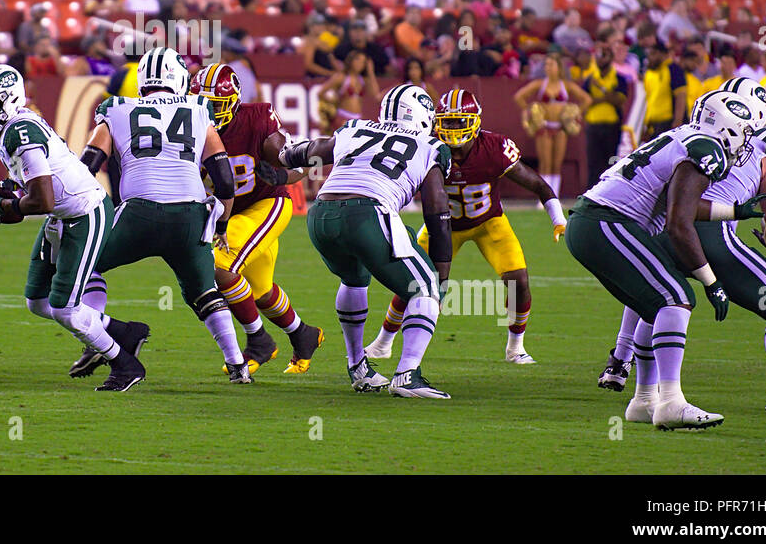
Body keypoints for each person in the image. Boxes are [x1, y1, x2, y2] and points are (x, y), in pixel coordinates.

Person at [604, 80, 766, 413]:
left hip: (668, 229)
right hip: (711, 233)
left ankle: (636, 383)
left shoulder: (689, 136)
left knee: (659, 301)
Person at [567, 92, 755, 430]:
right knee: (676, 297)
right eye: (745, 132)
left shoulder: (686, 136)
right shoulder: (706, 149)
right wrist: (712, 282)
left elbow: (681, 204)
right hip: (606, 221)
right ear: (730, 129)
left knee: (658, 305)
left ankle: (643, 400)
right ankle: (670, 401)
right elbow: (678, 224)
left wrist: (733, 211)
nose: (746, 142)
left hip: (594, 221)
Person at [0, 63, 150, 391]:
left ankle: (124, 362)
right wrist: (10, 190)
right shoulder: (10, 126)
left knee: (65, 308)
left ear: (7, 100)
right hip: (64, 215)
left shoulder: (20, 131)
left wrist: (8, 205)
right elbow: (39, 182)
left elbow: (43, 200)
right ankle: (122, 331)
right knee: (37, 300)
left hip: (84, 212)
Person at [80, 47, 250, 384]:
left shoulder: (116, 108)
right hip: (190, 216)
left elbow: (88, 165)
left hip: (138, 215)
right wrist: (221, 223)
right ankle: (237, 366)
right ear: (179, 79)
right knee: (203, 291)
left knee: (85, 266)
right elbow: (225, 179)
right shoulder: (199, 108)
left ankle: (96, 336)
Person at [366, 89, 567, 365]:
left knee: (518, 281)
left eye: (459, 120)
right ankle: (383, 343)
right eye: (446, 121)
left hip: (489, 223)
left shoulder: (494, 149)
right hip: (442, 227)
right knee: (412, 282)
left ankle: (515, 347)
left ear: (475, 121)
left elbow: (539, 185)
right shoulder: (428, 146)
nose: (452, 127)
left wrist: (558, 219)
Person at [278, 84, 452, 397]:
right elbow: (437, 214)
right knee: (424, 288)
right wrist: (441, 274)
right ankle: (407, 374)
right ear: (425, 114)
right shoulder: (430, 145)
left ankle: (358, 367)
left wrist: (287, 155)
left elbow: (317, 148)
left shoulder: (355, 127)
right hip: (367, 212)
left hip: (321, 215)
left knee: (354, 278)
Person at [191, 64, 324, 375]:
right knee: (261, 292)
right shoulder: (187, 126)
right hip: (231, 214)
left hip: (267, 204)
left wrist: (281, 173)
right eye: (202, 103)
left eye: (215, 105)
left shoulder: (256, 118)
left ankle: (259, 340)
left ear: (234, 103)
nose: (208, 112)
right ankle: (303, 334)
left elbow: (297, 161)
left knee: (220, 266)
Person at [514, 53, 591, 195]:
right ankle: (543, 195)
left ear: (559, 67)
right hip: (544, 126)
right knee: (545, 163)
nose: (548, 68)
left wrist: (575, 113)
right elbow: (519, 96)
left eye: (551, 65)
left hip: (560, 127)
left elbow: (586, 99)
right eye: (546, 65)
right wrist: (529, 110)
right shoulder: (540, 83)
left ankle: (554, 195)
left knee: (557, 164)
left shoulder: (566, 85)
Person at [578, 44, 630, 187]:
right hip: (593, 125)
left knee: (612, 161)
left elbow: (619, 100)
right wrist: (607, 97)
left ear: (611, 57)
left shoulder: (619, 78)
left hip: (612, 125)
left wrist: (599, 94)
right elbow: (584, 101)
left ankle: (612, 192)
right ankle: (592, 193)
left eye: (604, 55)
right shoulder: (589, 79)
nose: (601, 59)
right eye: (598, 56)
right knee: (593, 162)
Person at [642, 38, 687, 139]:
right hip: (653, 124)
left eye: (653, 54)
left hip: (668, 123)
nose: (650, 58)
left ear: (661, 54)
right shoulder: (649, 73)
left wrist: (677, 121)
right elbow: (649, 100)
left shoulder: (673, 68)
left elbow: (681, 96)